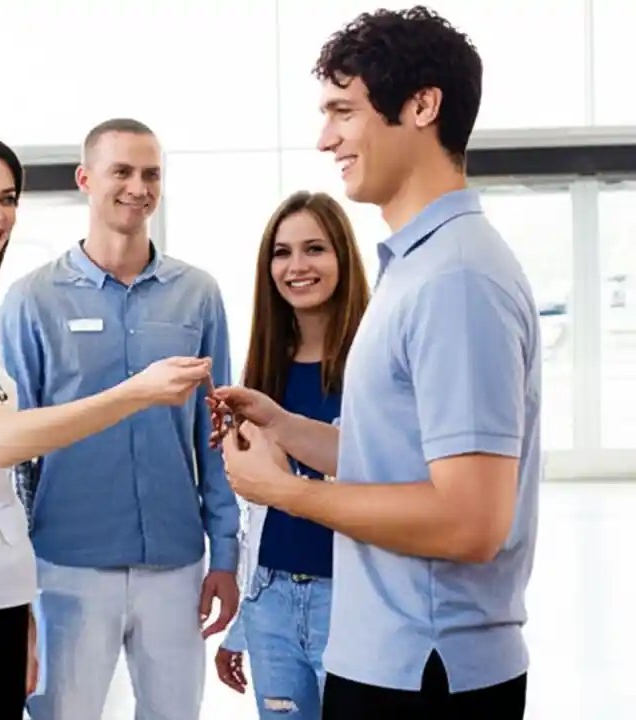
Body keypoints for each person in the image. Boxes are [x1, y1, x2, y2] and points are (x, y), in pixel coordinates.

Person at [212, 7, 541, 719]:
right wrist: (287, 427)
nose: (325, 136)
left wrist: (287, 492)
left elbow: (469, 522)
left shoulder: (456, 278)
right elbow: (401, 460)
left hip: (427, 665)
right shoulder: (418, 269)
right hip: (392, 655)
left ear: (422, 105)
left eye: (343, 111)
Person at [0, 133, 213, 720]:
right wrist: (135, 392)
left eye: (8, 197)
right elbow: (3, 441)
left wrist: (22, 609)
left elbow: (0, 494)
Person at [0, 118, 239, 720]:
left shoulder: (199, 294)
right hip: (66, 567)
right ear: (86, 179)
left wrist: (227, 556)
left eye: (151, 173)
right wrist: (15, 585)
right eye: (122, 171)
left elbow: (217, 439)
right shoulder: (32, 300)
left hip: (177, 565)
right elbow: (12, 452)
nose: (138, 186)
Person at [212, 190, 371, 719]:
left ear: (343, 258)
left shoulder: (375, 362)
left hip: (350, 599)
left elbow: (380, 478)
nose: (297, 266)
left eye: (314, 249)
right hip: (271, 603)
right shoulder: (263, 370)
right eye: (282, 253)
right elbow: (256, 510)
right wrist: (242, 624)